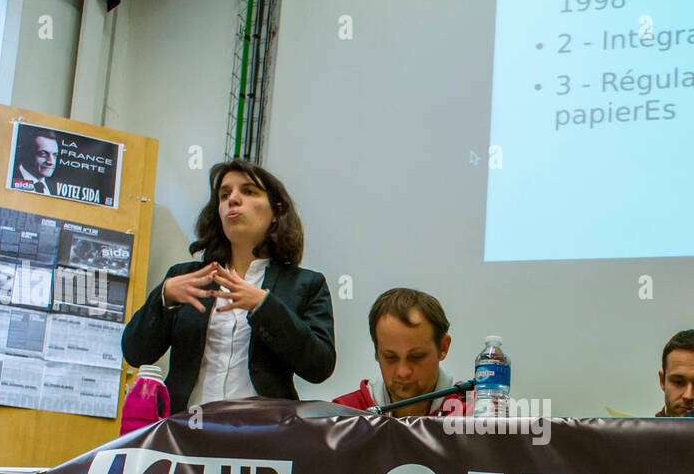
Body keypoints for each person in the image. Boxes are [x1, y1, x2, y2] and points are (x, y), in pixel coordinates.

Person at [122, 159, 335, 414]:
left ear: (276, 212)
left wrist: (263, 306)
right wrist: (164, 298)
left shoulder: (306, 284)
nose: (232, 199)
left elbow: (319, 366)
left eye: (248, 191)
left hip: (266, 437)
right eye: (224, 195)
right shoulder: (185, 277)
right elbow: (135, 353)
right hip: (186, 434)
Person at [333, 288, 465, 416]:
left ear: (443, 347)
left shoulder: (474, 414)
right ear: (376, 351)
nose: (403, 372)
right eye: (390, 357)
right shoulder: (342, 416)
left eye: (416, 357)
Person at [11, 128, 58, 195]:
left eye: (54, 155)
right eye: (43, 154)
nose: (51, 162)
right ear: (26, 153)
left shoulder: (55, 189)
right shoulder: (11, 179)